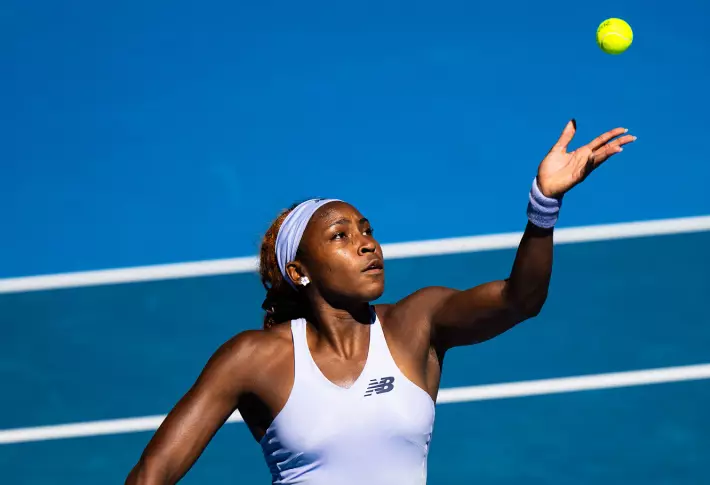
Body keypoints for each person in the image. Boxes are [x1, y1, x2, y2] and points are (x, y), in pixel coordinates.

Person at [124, 120, 635, 485]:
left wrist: (543, 207)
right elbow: (153, 473)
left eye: (367, 230)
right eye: (341, 236)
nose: (368, 243)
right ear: (299, 272)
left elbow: (521, 299)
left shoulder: (418, 324)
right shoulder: (253, 359)